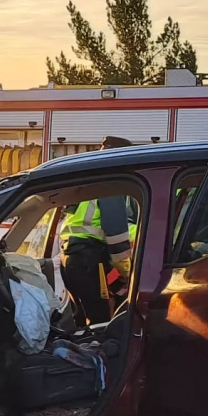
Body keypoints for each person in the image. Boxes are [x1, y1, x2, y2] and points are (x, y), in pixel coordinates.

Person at [59, 136, 135, 326]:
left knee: (81, 317)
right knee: (100, 321)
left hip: (69, 256)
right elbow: (116, 237)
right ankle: (99, 353)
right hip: (88, 259)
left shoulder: (89, 179)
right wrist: (128, 273)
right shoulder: (110, 184)